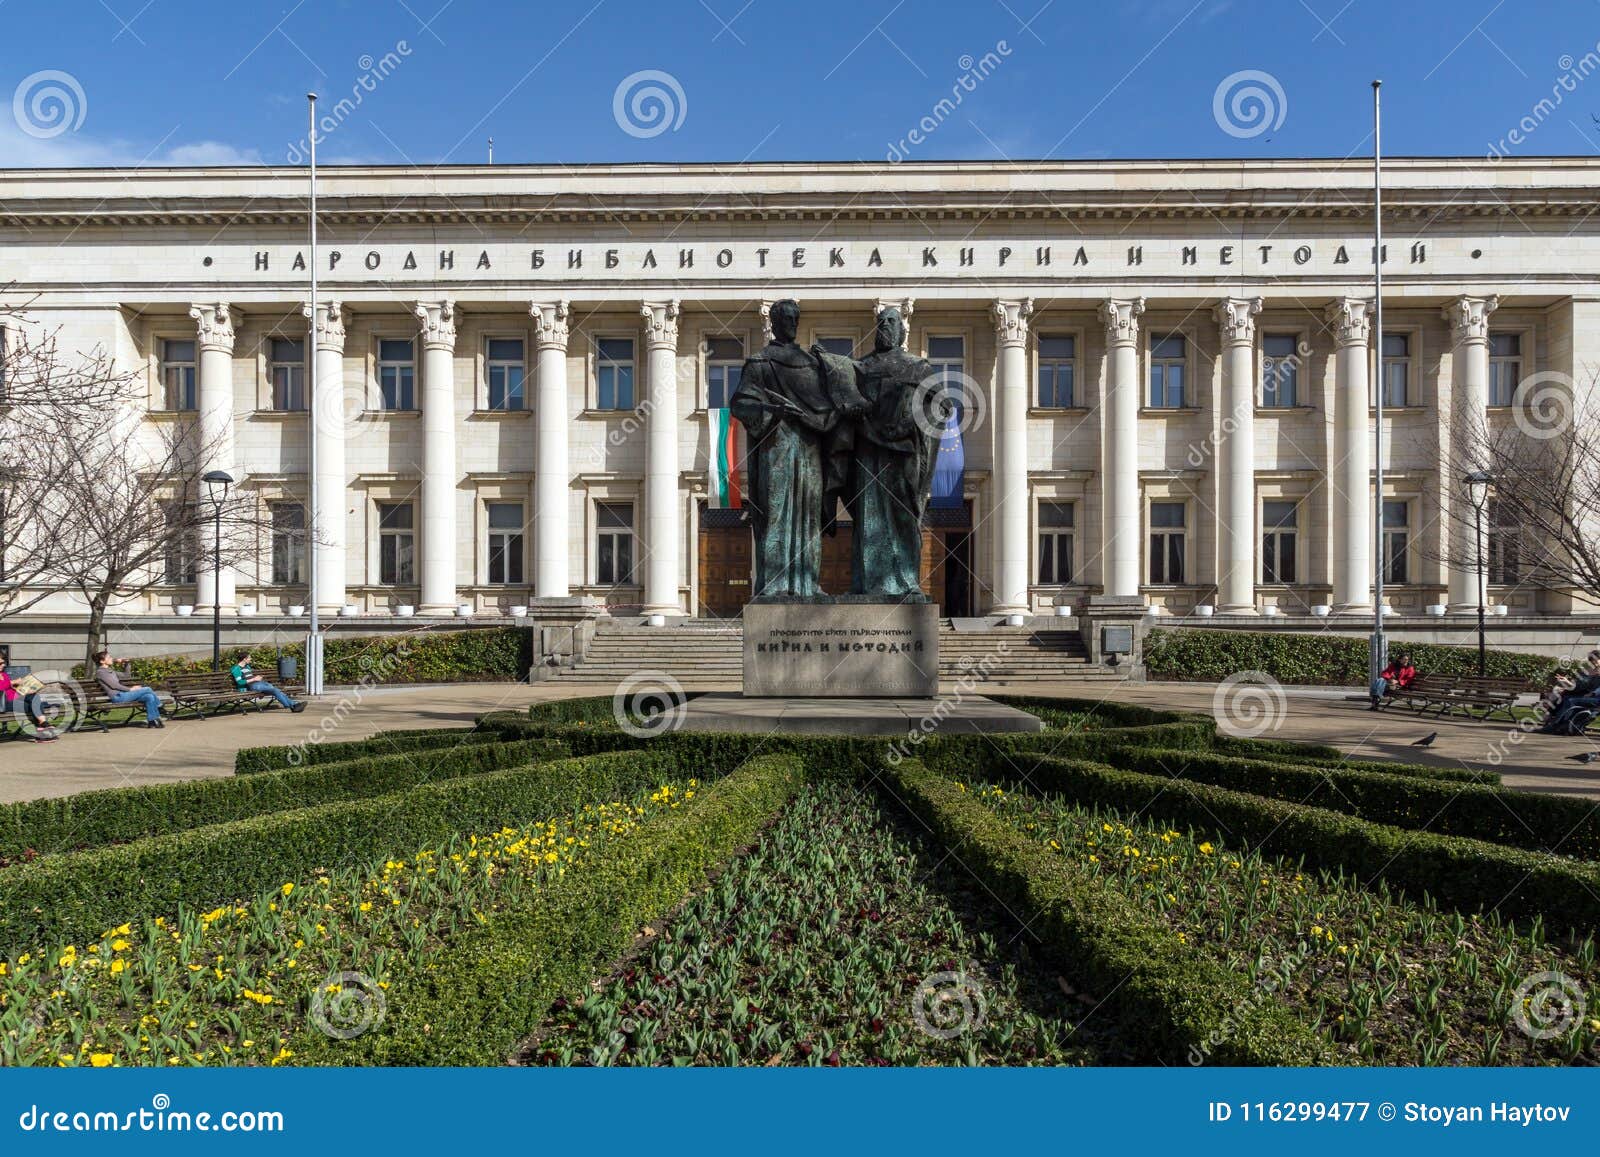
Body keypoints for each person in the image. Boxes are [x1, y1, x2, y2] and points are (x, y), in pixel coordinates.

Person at [93, 651, 166, 728]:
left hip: (124, 695)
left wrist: (127, 663)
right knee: (147, 688)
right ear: (102, 661)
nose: (111, 658)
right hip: (118, 697)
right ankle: (159, 705)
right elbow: (114, 686)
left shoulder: (110, 671)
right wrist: (131, 689)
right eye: (109, 657)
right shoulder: (100, 672)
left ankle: (152, 722)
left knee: (149, 697)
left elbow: (126, 676)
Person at [0, 654, 59, 742]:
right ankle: (42, 729)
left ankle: (43, 724)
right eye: (0, 663)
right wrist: (13, 681)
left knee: (34, 697)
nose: (3, 665)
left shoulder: (4, 675)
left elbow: (10, 689)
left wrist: (25, 689)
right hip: (4, 703)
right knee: (34, 705)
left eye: (3, 663)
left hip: (15, 698)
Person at [1540, 650, 1600, 734]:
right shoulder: (1589, 671)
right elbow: (1580, 685)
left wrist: (1593, 693)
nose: (1593, 662)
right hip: (1584, 694)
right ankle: (1554, 721)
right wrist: (1567, 682)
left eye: (1595, 659)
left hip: (1594, 698)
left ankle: (1555, 724)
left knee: (1570, 699)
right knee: (1564, 694)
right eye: (1591, 660)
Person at [229, 653, 305, 712]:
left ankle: (293, 706)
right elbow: (240, 682)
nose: (250, 659)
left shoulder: (247, 667)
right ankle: (293, 705)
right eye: (249, 658)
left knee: (275, 690)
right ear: (244, 659)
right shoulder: (236, 668)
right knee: (275, 690)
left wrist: (257, 678)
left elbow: (249, 677)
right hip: (253, 686)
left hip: (259, 683)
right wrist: (254, 679)